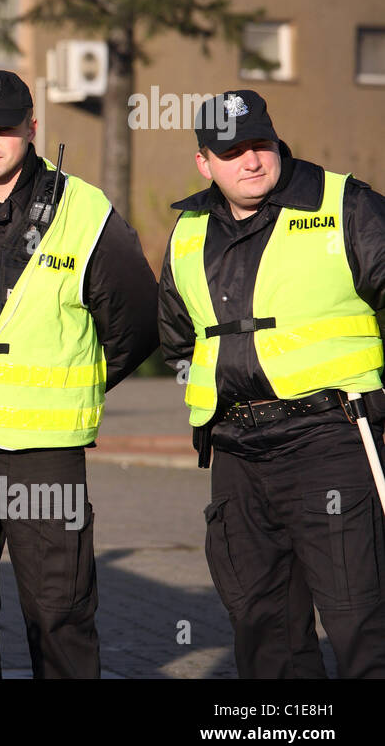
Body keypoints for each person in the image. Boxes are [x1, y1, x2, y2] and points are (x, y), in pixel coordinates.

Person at [0, 69, 159, 678]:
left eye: (5, 129)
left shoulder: (84, 209)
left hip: (44, 455)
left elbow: (139, 321)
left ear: (32, 128)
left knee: (60, 618)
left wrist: (73, 381)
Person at [158, 89, 385, 678]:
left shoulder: (343, 204)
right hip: (236, 455)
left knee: (361, 624)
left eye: (260, 144)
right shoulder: (187, 233)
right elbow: (179, 340)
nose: (252, 161)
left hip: (332, 440)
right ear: (204, 163)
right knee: (264, 632)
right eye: (232, 152)